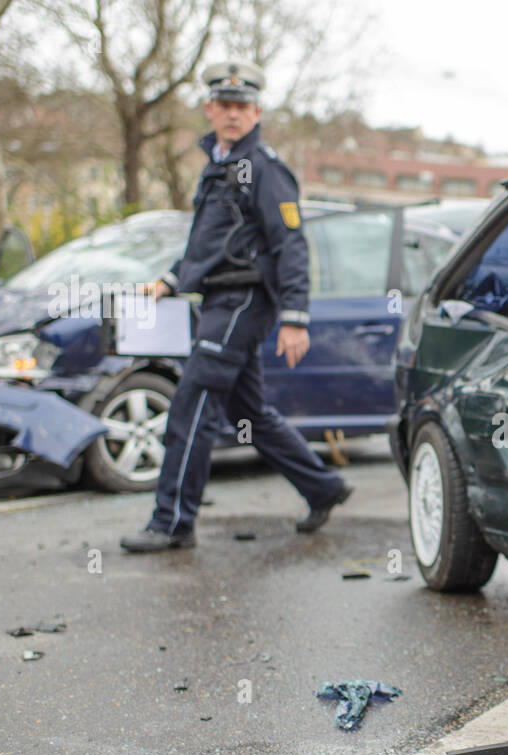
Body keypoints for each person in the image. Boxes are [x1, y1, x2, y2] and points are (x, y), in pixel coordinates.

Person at [120, 60, 351, 553]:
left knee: (192, 402)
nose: (232, 114)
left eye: (242, 106)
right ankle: (324, 486)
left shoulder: (264, 168)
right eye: (224, 105)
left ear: (257, 110)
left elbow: (291, 243)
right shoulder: (217, 165)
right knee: (251, 412)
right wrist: (169, 279)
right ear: (209, 109)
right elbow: (208, 242)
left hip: (245, 299)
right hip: (219, 299)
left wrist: (295, 315)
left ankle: (171, 522)